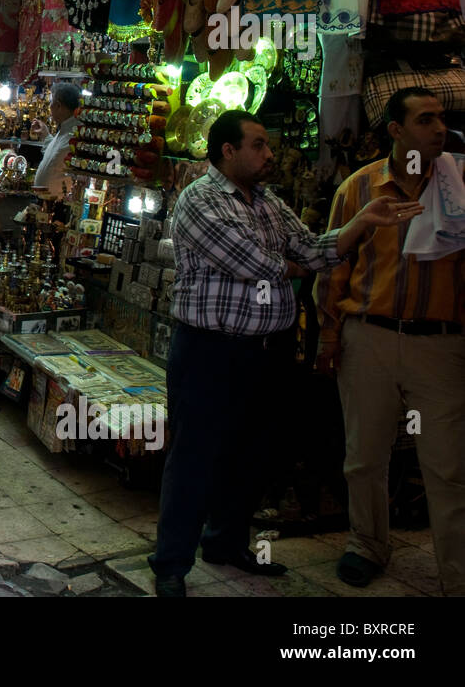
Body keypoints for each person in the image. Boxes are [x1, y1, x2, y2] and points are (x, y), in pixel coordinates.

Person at [149, 109, 422, 597]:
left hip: (265, 351)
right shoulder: (200, 199)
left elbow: (313, 249)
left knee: (251, 454)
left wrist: (360, 222)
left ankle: (226, 542)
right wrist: (296, 264)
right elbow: (255, 263)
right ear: (227, 150)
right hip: (211, 351)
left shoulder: (268, 202)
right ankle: (171, 562)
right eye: (258, 145)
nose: (270, 155)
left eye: (269, 145)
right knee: (195, 456)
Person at [315, 88, 465, 595]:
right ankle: (368, 544)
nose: (439, 129)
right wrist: (329, 334)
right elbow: (334, 264)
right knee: (364, 456)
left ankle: (456, 576)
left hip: (440, 345)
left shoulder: (460, 186)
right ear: (396, 131)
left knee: (447, 467)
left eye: (442, 119)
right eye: (426, 120)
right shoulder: (359, 189)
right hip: (369, 338)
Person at [30, 82, 82, 197]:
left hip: (57, 204)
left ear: (58, 106)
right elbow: (53, 159)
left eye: (51, 103)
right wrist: (45, 135)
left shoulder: (74, 134)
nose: (49, 107)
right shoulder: (64, 130)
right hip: (45, 202)